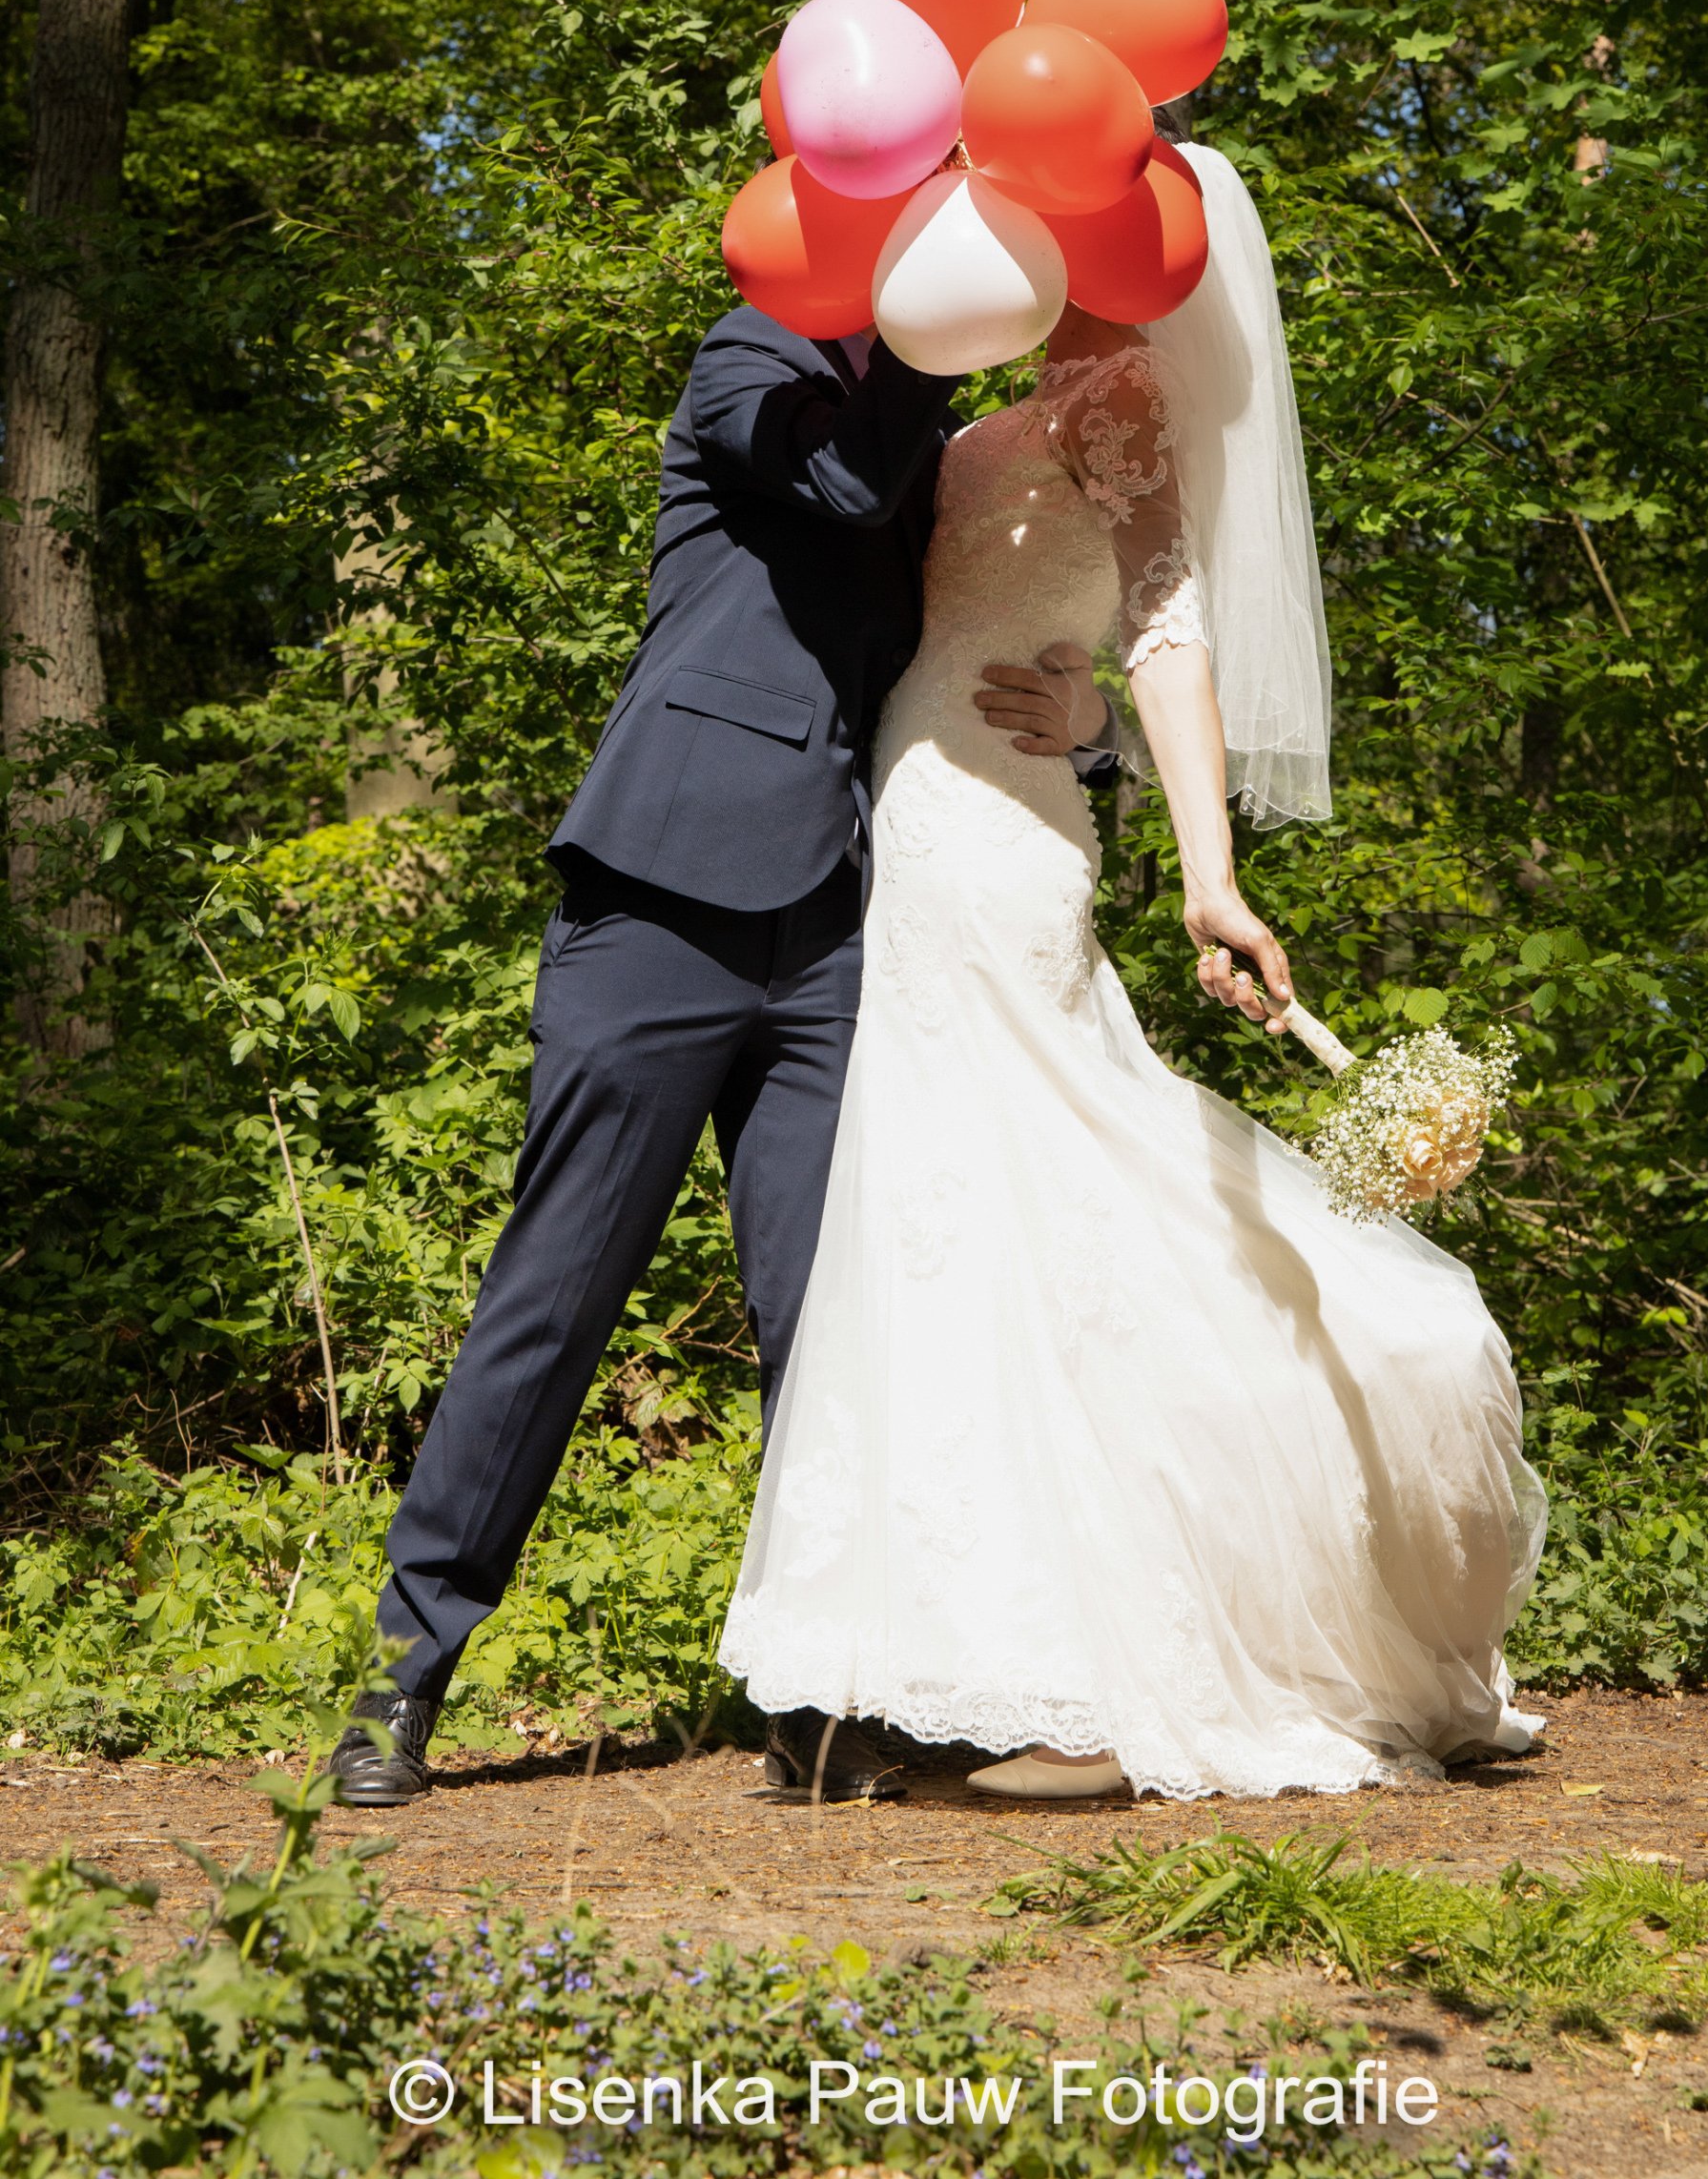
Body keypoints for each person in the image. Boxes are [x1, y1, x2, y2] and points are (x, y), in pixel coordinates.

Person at [720, 145, 1547, 1800]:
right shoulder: (992, 410)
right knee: (961, 1214)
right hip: (925, 816)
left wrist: (1208, 870)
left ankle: (1091, 1683)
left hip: (992, 843)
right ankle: (968, 1653)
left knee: (1030, 1202)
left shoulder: (1116, 399)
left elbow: (1164, 622)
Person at [328, 303, 1119, 1805]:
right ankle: (400, 1682)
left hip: (841, 938)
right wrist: (935, 348)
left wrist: (1091, 734)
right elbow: (833, 486)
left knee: (838, 1331)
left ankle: (832, 1703)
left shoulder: (936, 452)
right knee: (552, 1300)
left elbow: (976, 659)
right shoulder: (755, 358)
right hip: (660, 906)